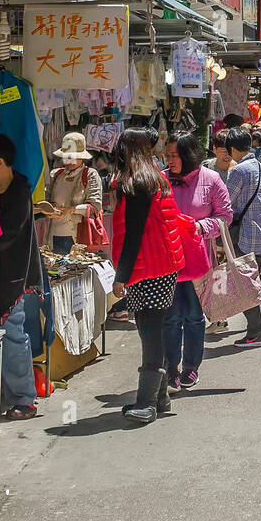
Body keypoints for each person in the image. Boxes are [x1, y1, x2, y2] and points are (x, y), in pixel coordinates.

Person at [111, 128, 186, 425]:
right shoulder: (153, 175)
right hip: (161, 265)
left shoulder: (138, 183)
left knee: (150, 331)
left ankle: (147, 403)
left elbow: (133, 234)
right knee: (149, 328)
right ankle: (159, 397)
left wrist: (122, 276)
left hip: (149, 267)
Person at [0, 135, 44, 421]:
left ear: (0, 163)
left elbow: (8, 233)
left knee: (13, 335)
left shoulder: (20, 192)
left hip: (14, 277)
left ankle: (24, 399)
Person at [164, 132, 232, 395]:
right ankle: (170, 369)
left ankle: (191, 367)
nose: (169, 160)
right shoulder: (160, 180)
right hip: (168, 264)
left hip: (200, 263)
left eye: (174, 155)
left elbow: (225, 216)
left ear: (189, 155)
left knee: (194, 317)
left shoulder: (211, 179)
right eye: (167, 155)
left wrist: (199, 227)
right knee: (170, 319)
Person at [226, 127, 261, 346]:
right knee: (255, 281)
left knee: (246, 284)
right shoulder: (258, 165)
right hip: (260, 232)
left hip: (245, 235)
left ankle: (256, 332)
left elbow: (226, 201)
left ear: (232, 149)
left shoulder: (239, 171)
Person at [36, 132, 104, 255]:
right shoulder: (56, 174)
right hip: (54, 234)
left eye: (73, 157)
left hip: (78, 236)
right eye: (67, 157)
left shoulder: (90, 175)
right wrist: (49, 210)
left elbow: (95, 207)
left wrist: (71, 209)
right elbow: (47, 200)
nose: (69, 161)